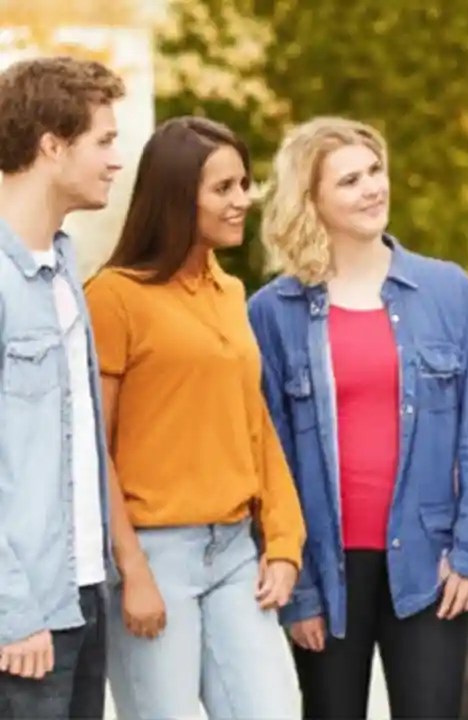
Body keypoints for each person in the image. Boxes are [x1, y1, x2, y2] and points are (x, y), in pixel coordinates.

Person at [247, 116, 468, 719]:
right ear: (310, 200)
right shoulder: (273, 312)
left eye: (375, 171)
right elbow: (272, 455)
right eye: (348, 181)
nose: (372, 188)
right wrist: (300, 588)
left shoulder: (448, 293)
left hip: (429, 563)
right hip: (325, 565)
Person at [82, 116, 306, 719]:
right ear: (180, 197)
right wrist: (132, 571)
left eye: (244, 184)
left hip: (235, 552)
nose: (243, 200)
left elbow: (253, 423)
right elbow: (91, 448)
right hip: (155, 555)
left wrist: (284, 542)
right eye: (225, 189)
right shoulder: (113, 297)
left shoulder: (229, 292)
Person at [0, 56, 125, 720]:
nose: (117, 160)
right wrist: (11, 611)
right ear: (51, 145)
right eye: (104, 140)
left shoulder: (63, 262)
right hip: (21, 621)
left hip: (82, 598)